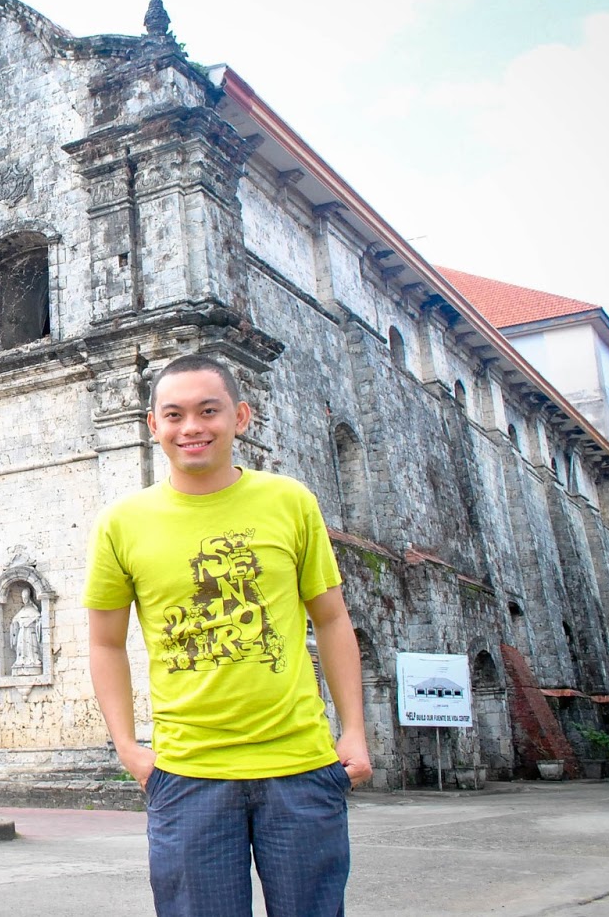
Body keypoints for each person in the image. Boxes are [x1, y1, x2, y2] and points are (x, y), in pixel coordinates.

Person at [85, 354, 370, 917]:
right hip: (188, 774)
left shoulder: (290, 502)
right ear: (154, 425)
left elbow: (333, 619)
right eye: (174, 415)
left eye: (208, 411)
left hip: (300, 765)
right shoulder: (122, 523)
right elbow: (104, 642)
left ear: (240, 417)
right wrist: (127, 747)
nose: (191, 427)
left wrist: (355, 731)